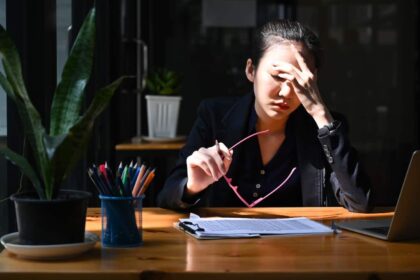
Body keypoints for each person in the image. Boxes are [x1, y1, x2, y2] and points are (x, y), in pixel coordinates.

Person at [157, 19, 372, 212]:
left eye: (299, 82)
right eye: (278, 76)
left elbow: (359, 202)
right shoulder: (214, 116)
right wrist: (192, 187)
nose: (287, 92)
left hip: (301, 252)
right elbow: (167, 196)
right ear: (251, 70)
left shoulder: (324, 129)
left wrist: (320, 114)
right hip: (223, 253)